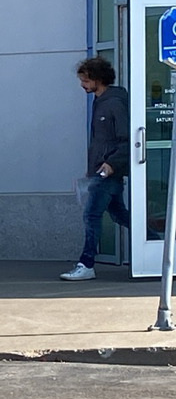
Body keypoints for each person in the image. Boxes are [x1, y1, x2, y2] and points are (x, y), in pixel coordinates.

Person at [61, 57, 132, 282]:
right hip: (102, 169)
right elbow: (100, 140)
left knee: (92, 215)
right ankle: (159, 245)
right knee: (120, 215)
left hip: (108, 170)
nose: (82, 84)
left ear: (98, 79)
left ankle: (87, 263)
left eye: (85, 80)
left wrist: (111, 164)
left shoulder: (114, 103)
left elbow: (126, 138)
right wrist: (92, 168)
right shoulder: (100, 101)